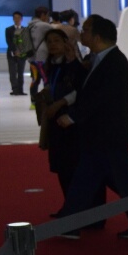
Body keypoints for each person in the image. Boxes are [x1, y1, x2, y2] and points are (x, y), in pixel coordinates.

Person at [54, 15, 128, 239]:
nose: (81, 33)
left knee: (121, 182)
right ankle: (70, 224)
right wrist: (73, 62)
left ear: (97, 36)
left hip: (109, 135)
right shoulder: (98, 59)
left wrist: (73, 117)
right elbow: (88, 87)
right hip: (100, 136)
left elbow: (101, 98)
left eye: (86, 30)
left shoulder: (115, 62)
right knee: (88, 180)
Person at [37, 29, 93, 212]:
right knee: (60, 166)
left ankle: (76, 207)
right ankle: (68, 205)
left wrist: (60, 102)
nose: (53, 45)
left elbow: (80, 90)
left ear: (66, 43)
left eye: (56, 41)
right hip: (55, 119)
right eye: (49, 41)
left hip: (69, 119)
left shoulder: (74, 65)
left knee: (71, 166)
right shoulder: (50, 65)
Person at [27, 5, 54, 98]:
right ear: (42, 15)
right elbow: (56, 32)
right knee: (46, 79)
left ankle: (33, 100)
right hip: (42, 58)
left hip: (31, 58)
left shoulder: (30, 25)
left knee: (34, 80)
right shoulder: (44, 26)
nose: (47, 18)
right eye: (47, 15)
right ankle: (47, 98)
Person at [5, 11, 28, 95]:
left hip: (22, 54)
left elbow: (26, 42)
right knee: (13, 72)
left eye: (18, 17)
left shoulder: (25, 29)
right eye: (15, 18)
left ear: (21, 19)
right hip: (12, 54)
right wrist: (15, 50)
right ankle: (14, 89)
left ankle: (20, 90)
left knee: (21, 72)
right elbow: (9, 41)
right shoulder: (8, 29)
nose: (16, 19)